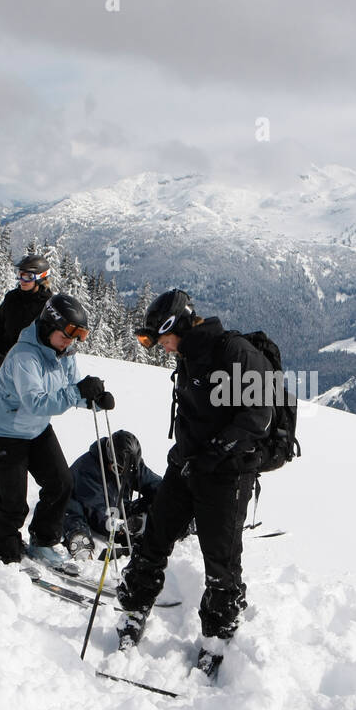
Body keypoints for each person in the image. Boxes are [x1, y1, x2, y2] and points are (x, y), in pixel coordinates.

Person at [115, 289, 274, 679]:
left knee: (220, 561)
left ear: (180, 323)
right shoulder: (188, 355)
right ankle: (134, 610)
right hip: (186, 464)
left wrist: (216, 451)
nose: (160, 346)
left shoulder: (233, 352)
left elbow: (259, 415)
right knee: (154, 539)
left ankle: (216, 640)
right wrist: (188, 456)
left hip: (227, 474)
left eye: (160, 336)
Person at [0, 292, 113, 569]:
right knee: (13, 500)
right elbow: (36, 402)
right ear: (48, 326)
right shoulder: (24, 356)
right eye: (66, 335)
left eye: (74, 338)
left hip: (36, 429)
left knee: (61, 483)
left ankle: (43, 540)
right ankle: (6, 551)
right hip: (4, 432)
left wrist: (93, 400)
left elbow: (71, 388)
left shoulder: (65, 353)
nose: (69, 342)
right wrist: (76, 391)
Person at [62, 430, 163, 558]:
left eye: (128, 470)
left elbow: (154, 483)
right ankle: (79, 539)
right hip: (88, 510)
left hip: (117, 507)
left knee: (157, 498)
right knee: (70, 505)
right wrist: (117, 529)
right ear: (109, 457)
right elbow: (95, 509)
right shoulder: (87, 468)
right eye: (118, 469)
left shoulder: (130, 464)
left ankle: (149, 525)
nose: (123, 474)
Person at [0, 254, 52, 369]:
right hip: (7, 363)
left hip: (33, 367)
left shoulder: (48, 305)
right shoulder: (11, 298)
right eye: (20, 275)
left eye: (28, 277)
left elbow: (51, 341)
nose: (22, 280)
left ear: (40, 278)